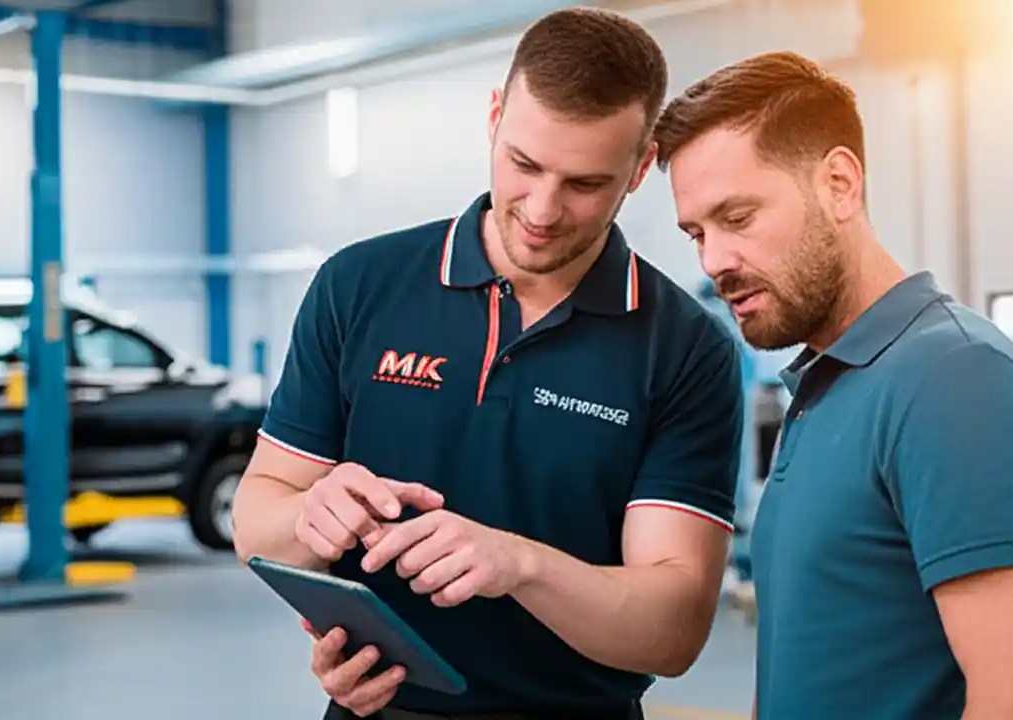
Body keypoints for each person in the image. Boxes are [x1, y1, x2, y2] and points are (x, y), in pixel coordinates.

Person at [232, 7, 745, 719]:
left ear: (641, 167)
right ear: (495, 116)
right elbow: (257, 520)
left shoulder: (685, 347)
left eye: (584, 184)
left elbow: (672, 630)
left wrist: (518, 565)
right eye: (524, 165)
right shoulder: (358, 286)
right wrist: (310, 519)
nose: (541, 210)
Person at [653, 51, 1013, 720]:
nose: (715, 262)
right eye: (697, 233)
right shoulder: (825, 387)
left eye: (737, 218)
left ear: (838, 183)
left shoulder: (954, 378)